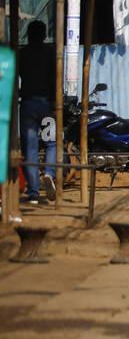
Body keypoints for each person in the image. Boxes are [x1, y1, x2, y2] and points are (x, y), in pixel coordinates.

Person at [18, 21, 57, 204]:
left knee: (30, 149)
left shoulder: (22, 54)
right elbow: (56, 77)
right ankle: (49, 173)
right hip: (47, 105)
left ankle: (33, 192)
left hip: (27, 106)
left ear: (28, 35)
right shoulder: (50, 53)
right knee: (51, 143)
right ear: (43, 35)